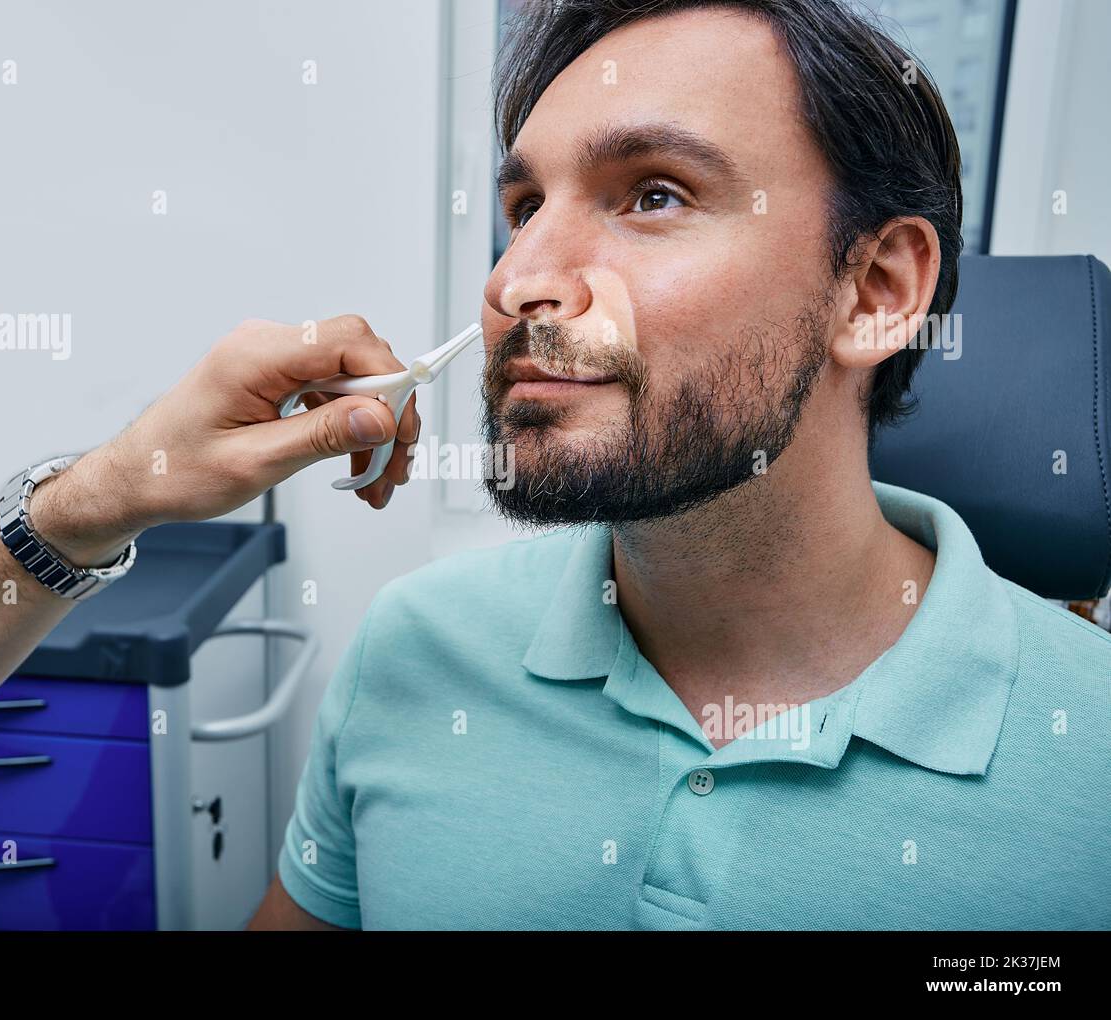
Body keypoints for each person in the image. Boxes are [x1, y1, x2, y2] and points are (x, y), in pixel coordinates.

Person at [249, 0, 1111, 930]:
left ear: (876, 292)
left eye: (654, 194)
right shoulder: (414, 645)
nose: (513, 280)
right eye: (526, 208)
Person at [0, 315, 420, 797]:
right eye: (516, 212)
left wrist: (98, 500)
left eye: (525, 214)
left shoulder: (412, 625)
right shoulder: (412, 631)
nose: (504, 282)